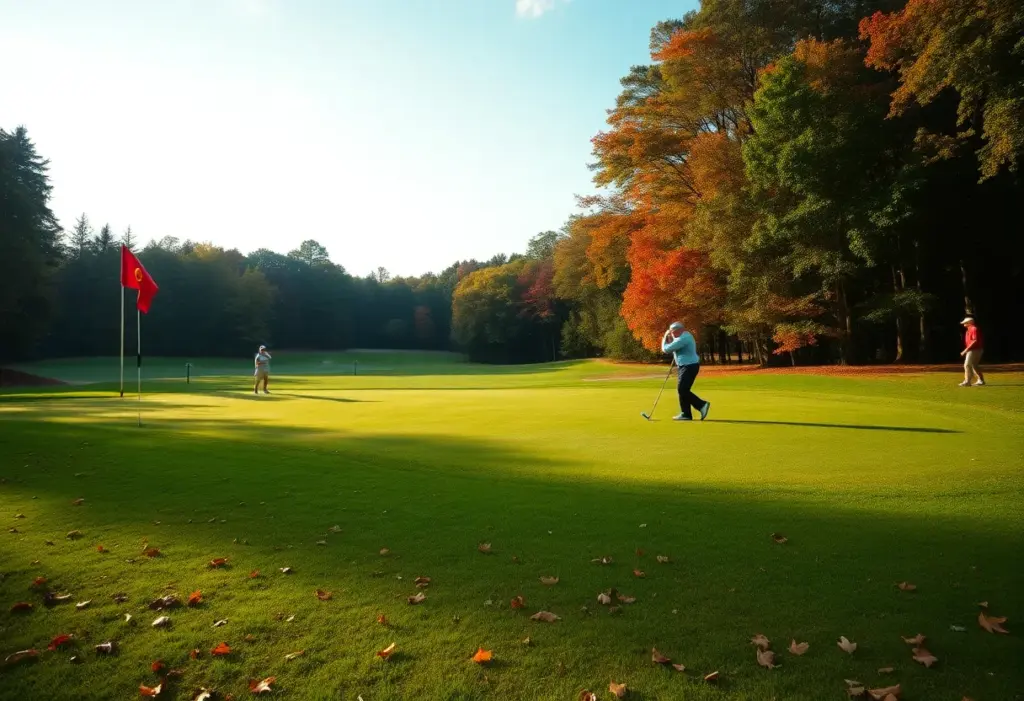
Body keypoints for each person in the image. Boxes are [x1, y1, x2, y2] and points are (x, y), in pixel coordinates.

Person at [661, 321, 710, 421]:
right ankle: (686, 414)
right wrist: (671, 339)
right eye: (670, 332)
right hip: (684, 366)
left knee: (682, 389)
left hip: (689, 366)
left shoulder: (684, 338)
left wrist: (664, 338)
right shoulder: (681, 337)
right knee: (682, 390)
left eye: (673, 332)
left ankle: (702, 405)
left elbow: (665, 349)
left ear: (680, 330)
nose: (672, 334)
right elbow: (674, 345)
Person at [959, 316, 985, 387]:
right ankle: (981, 380)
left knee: (967, 364)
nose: (964, 324)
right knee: (974, 365)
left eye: (966, 322)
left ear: (969, 323)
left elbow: (974, 340)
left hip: (975, 349)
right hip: (975, 349)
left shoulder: (973, 329)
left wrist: (965, 350)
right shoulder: (968, 330)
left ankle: (967, 381)